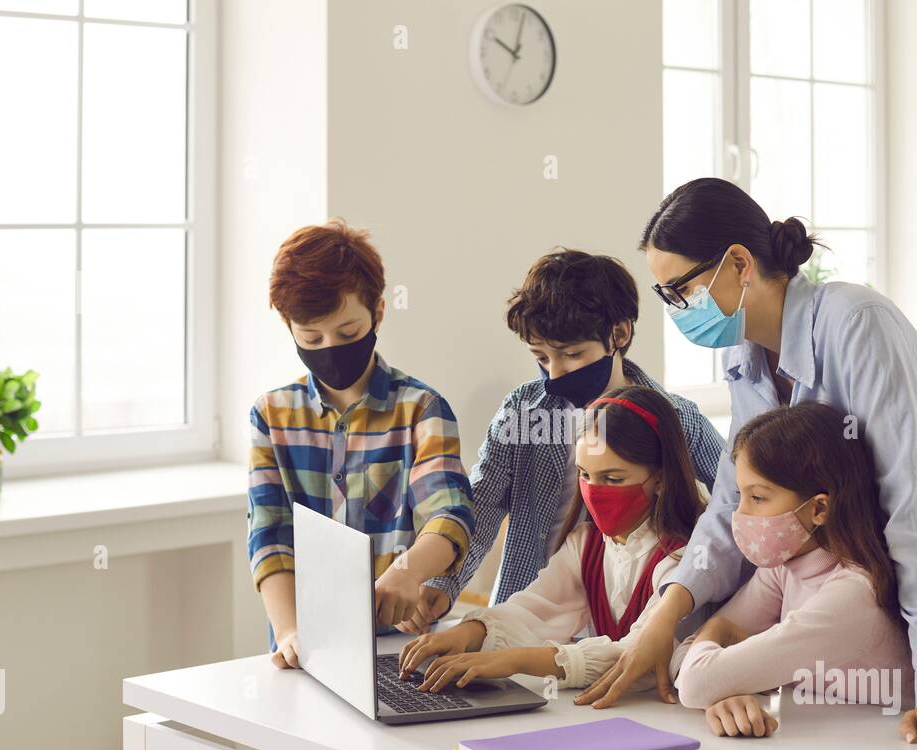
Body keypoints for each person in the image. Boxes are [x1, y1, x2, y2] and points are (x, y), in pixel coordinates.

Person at [579, 177, 917, 750]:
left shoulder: (856, 324)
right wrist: (671, 608)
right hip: (888, 588)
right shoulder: (746, 355)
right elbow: (735, 500)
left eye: (680, 291)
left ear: (738, 264)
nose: (679, 313)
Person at [401, 249, 724, 634]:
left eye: (572, 355)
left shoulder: (676, 417)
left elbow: (730, 505)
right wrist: (444, 580)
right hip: (525, 616)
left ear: (618, 334)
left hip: (632, 624)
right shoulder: (523, 410)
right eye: (541, 357)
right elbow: (483, 504)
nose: (555, 374)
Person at [673, 403, 917, 748]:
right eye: (741, 496)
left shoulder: (854, 595)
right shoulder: (786, 570)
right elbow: (688, 661)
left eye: (759, 498)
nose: (741, 514)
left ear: (819, 508)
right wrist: (729, 688)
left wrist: (721, 674)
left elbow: (695, 681)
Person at [247, 219, 475, 668]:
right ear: (288, 326)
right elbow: (269, 536)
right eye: (311, 338)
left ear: (378, 313)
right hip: (301, 650)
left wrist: (407, 573)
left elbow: (449, 515)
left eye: (348, 333)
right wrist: (290, 630)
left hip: (397, 651)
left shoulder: (421, 410)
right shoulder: (270, 415)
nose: (330, 348)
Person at [397, 386, 705, 693]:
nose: (594, 491)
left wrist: (513, 661)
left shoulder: (685, 560)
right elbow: (535, 609)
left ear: (661, 478)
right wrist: (469, 631)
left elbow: (636, 655)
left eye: (613, 479)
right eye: (585, 475)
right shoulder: (587, 543)